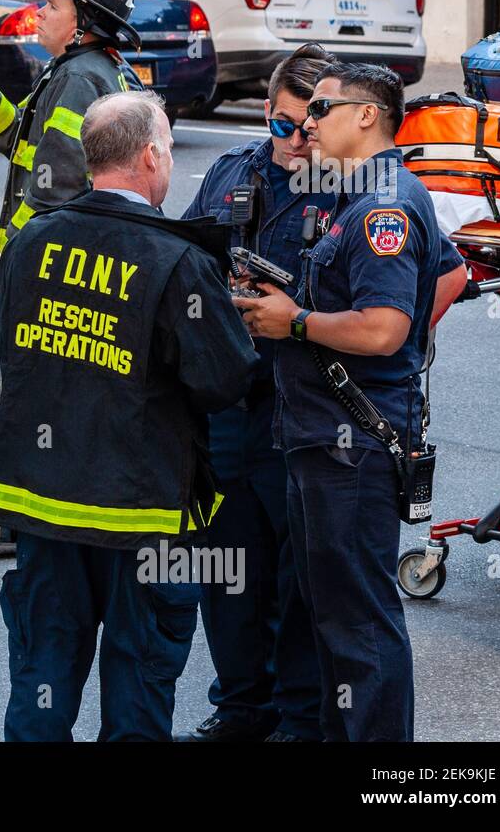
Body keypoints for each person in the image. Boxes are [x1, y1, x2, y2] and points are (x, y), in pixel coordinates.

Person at [0, 91, 259, 741]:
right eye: (171, 150)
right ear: (149, 155)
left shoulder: (31, 240)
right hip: (143, 511)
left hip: (40, 503)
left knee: (43, 677)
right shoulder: (177, 261)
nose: (172, 162)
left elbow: (13, 346)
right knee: (138, 685)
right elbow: (224, 380)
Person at [235, 62, 468, 741]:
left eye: (323, 109)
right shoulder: (350, 194)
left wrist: (295, 322)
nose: (308, 122)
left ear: (368, 115)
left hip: (352, 450)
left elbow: (384, 326)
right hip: (321, 441)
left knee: (360, 627)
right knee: (333, 621)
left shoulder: (383, 206)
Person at [0, 0, 143, 557]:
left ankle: (24, 513)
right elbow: (27, 150)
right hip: (62, 266)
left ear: (81, 20)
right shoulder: (77, 72)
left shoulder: (81, 80)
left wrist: (25, 265)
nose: (40, 10)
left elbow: (55, 193)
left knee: (36, 389)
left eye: (53, 2)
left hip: (48, 268)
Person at [174, 44, 336, 743]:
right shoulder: (230, 172)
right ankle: (242, 706)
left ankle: (299, 718)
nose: (297, 143)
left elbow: (436, 282)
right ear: (266, 111)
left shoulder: (355, 186)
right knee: (230, 570)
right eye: (284, 126)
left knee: (300, 579)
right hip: (230, 404)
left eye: (311, 128)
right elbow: (180, 253)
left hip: (304, 405)